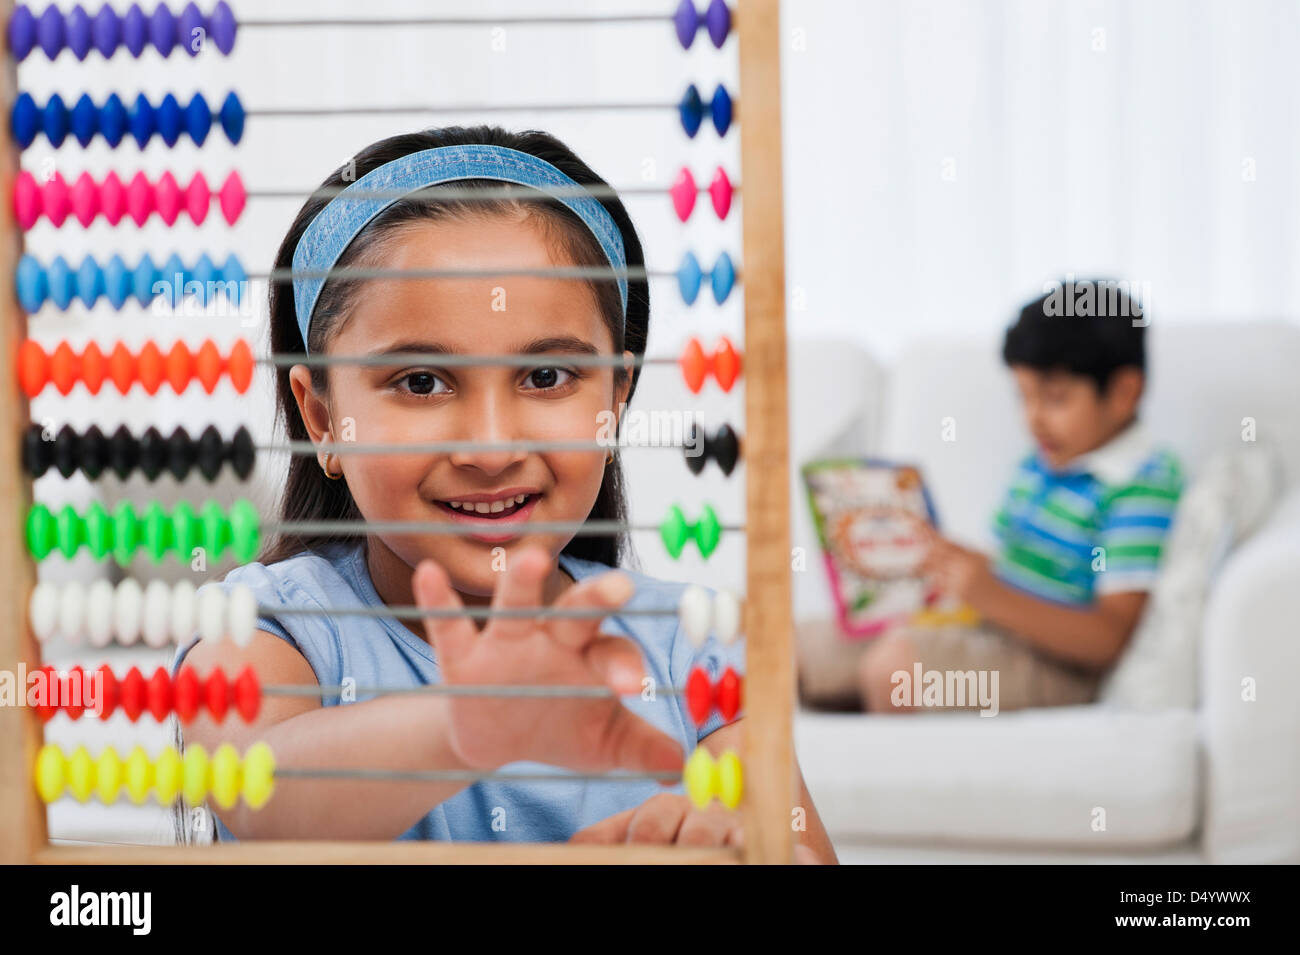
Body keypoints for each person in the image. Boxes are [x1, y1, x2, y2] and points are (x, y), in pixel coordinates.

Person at [175, 125, 834, 862]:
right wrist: (472, 720)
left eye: (546, 377)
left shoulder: (693, 651)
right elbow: (261, 793)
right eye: (421, 382)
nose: (490, 448)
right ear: (323, 417)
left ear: (616, 397)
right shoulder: (269, 628)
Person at [860, 281, 1183, 714]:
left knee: (895, 672)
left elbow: (1107, 638)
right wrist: (960, 568)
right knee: (787, 649)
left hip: (1060, 669)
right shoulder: (1039, 467)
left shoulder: (1141, 484)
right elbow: (1015, 572)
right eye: (1024, 396)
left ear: (1124, 392)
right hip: (987, 629)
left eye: (1055, 398)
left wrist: (988, 593)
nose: (1033, 418)